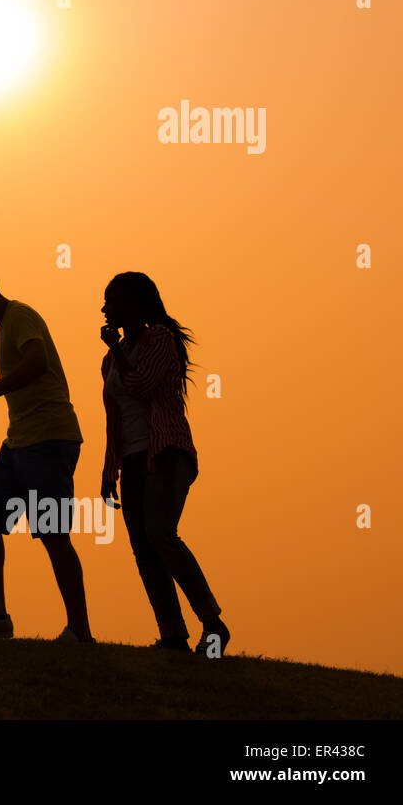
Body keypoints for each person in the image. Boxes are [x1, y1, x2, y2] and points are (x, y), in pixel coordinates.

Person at [0, 258, 93, 642]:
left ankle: (79, 630)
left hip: (49, 440)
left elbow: (37, 363)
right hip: (19, 442)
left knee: (53, 533)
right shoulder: (3, 329)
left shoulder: (20, 315)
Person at [99, 272, 230, 656]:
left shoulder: (159, 339)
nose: (105, 308)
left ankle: (212, 622)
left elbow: (139, 385)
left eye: (112, 300)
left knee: (160, 534)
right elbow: (115, 418)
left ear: (135, 303)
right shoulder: (109, 359)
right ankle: (172, 633)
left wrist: (119, 351)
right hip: (133, 459)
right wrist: (110, 468)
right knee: (143, 547)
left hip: (166, 452)